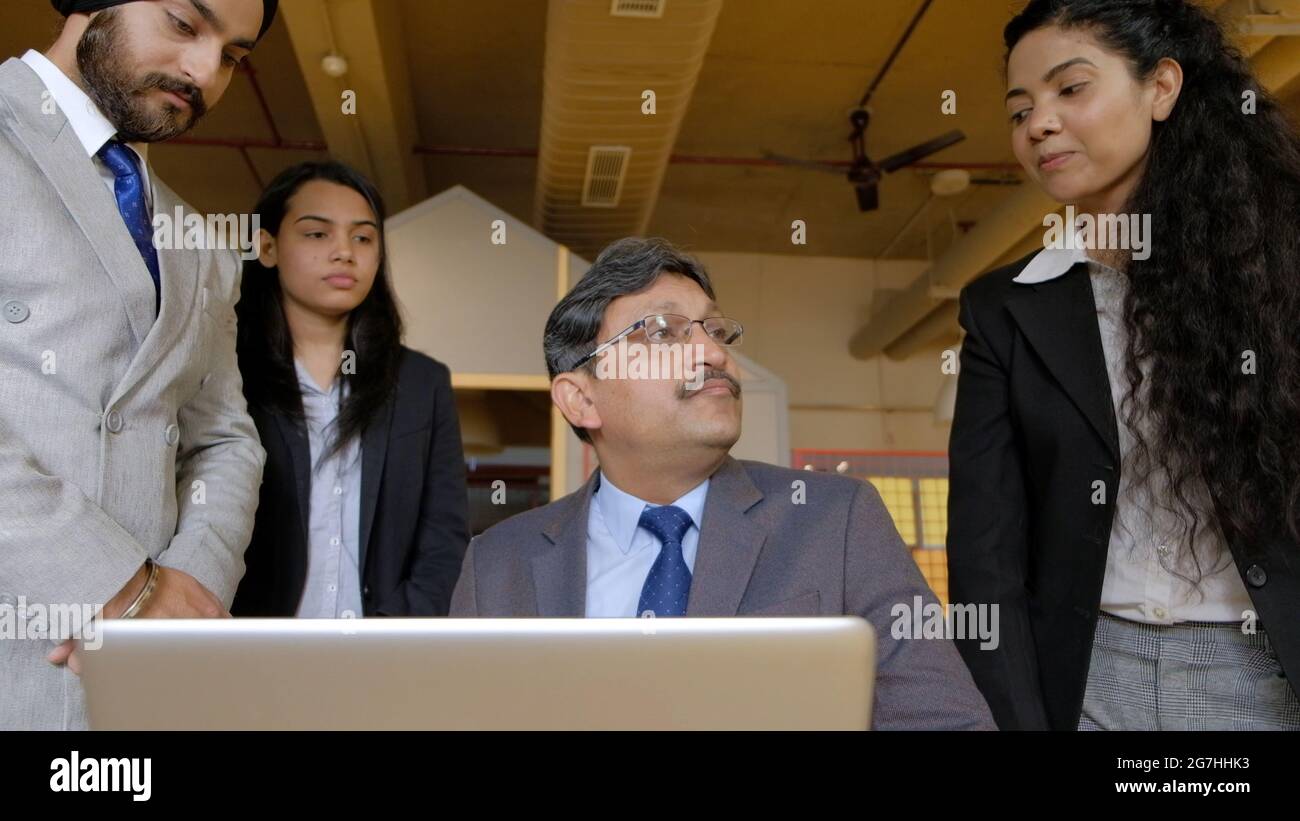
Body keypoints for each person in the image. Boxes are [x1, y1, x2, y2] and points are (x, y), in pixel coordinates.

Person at [449, 237, 995, 730]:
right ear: (581, 398)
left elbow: (944, 721)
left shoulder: (837, 520)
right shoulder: (497, 565)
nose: (713, 354)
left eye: (714, 330)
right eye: (663, 332)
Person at [948, 0, 1300, 730]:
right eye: (1020, 110)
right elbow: (987, 552)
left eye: (1070, 89)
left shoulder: (1282, 272)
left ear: (1162, 87)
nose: (1038, 124)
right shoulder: (1004, 309)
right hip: (1084, 682)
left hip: (1259, 675)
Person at [0, 0, 277, 729]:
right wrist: (117, 585)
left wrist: (186, 590)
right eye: (185, 24)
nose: (204, 72)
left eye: (235, 56)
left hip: (142, 693)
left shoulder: (203, 242)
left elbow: (223, 437)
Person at [231, 161, 469, 618]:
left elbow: (444, 535)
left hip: (383, 658)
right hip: (251, 652)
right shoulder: (227, 374)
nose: (345, 252)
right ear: (267, 246)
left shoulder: (422, 383)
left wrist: (397, 632)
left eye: (363, 237)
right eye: (317, 234)